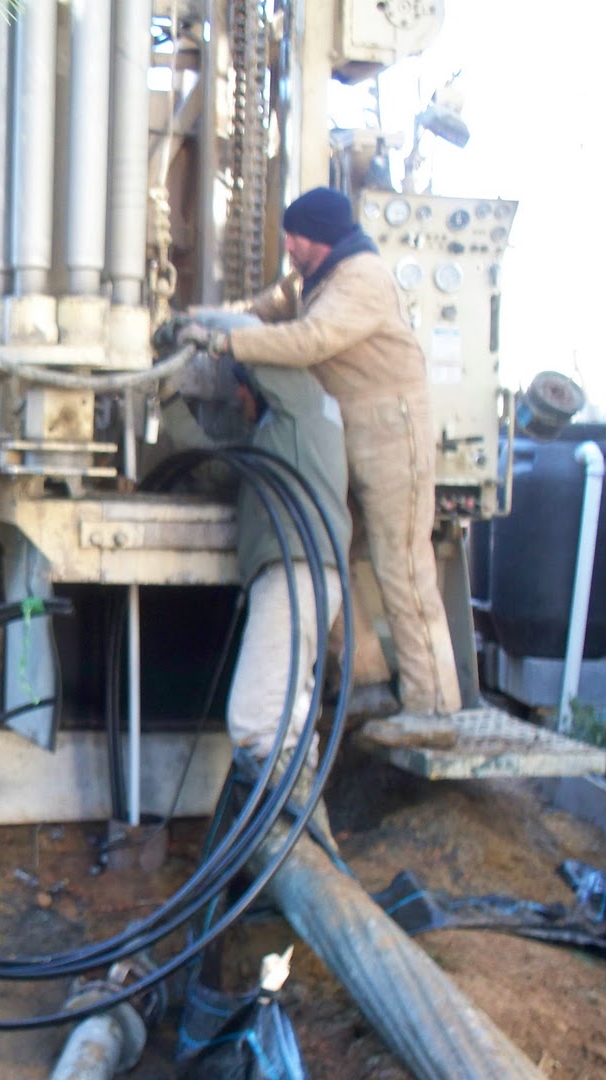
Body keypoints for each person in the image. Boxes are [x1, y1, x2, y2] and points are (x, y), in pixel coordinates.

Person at [181, 186, 462, 750]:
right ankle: (368, 683)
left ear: (323, 237)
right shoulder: (312, 280)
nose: (288, 246)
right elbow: (260, 313)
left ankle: (432, 707)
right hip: (346, 438)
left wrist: (221, 344)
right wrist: (191, 320)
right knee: (328, 556)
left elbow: (310, 341)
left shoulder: (361, 279)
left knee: (402, 566)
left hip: (391, 436)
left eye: (296, 237)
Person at [157, 317, 349, 817]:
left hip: (297, 572)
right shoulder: (277, 436)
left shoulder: (303, 401)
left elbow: (251, 336)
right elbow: (216, 464)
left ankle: (284, 839)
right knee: (289, 714)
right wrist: (166, 398)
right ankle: (295, 835)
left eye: (242, 389)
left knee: (256, 718)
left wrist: (200, 327)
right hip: (301, 574)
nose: (239, 399)